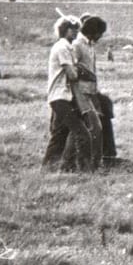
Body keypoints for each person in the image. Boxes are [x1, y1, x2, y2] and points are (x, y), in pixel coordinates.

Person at [43, 17, 91, 172]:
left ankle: (49, 168)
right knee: (82, 133)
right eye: (72, 29)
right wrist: (81, 69)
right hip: (60, 96)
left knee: (59, 135)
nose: (76, 32)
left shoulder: (66, 47)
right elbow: (72, 75)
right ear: (64, 30)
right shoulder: (63, 47)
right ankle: (83, 170)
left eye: (77, 29)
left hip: (60, 96)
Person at [74, 15, 116, 169]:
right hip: (81, 93)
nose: (101, 36)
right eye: (100, 33)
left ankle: (104, 158)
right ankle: (92, 164)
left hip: (91, 92)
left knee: (102, 116)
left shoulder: (90, 46)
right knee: (92, 128)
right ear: (93, 32)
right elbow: (72, 68)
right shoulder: (77, 45)